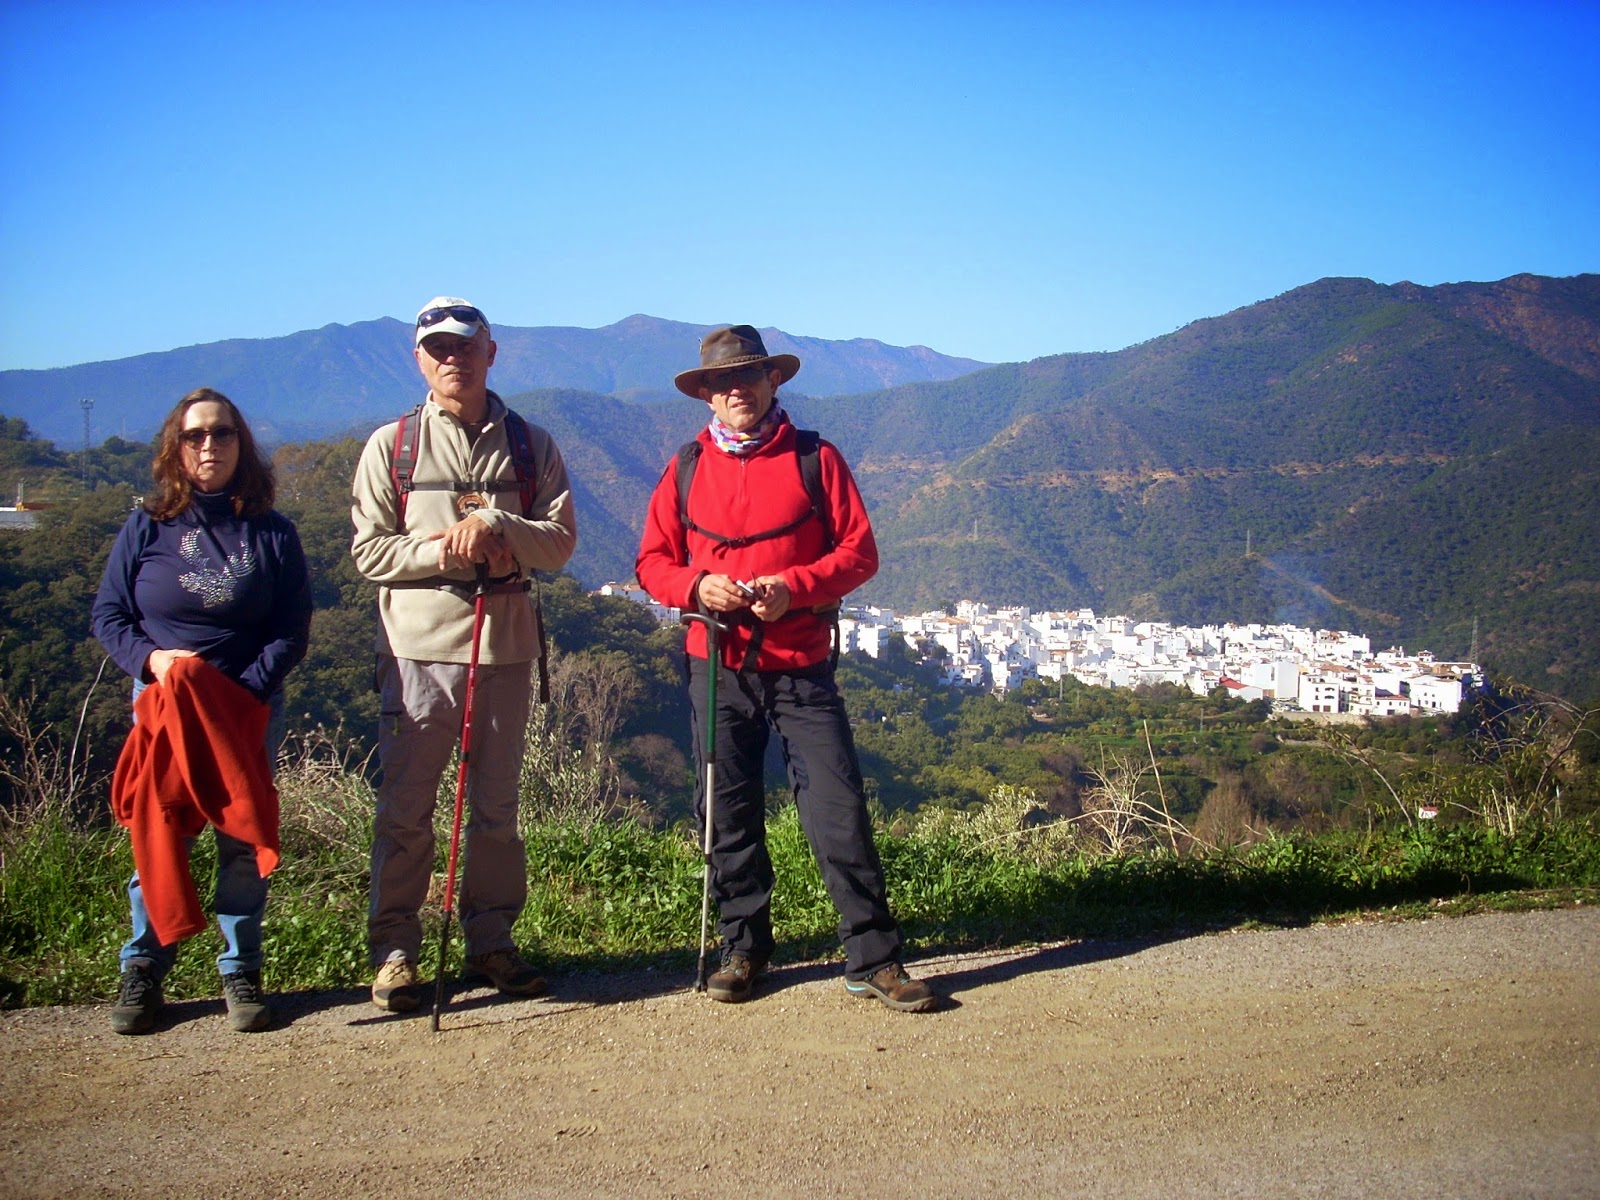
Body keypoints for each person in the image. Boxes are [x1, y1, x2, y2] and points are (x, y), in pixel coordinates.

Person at [635, 325, 936, 1012]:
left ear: (772, 380)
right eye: (722, 381)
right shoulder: (685, 467)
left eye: (748, 375)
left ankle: (874, 957)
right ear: (706, 394)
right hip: (716, 665)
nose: (735, 389)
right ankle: (744, 948)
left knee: (837, 807)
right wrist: (697, 587)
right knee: (726, 810)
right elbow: (652, 562)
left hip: (801, 664)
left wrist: (793, 589)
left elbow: (859, 553)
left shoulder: (815, 458)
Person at [351, 297, 577, 1013]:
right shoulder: (392, 446)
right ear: (419, 359)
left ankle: (492, 941)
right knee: (407, 807)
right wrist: (446, 549)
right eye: (439, 348)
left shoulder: (531, 445)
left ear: (491, 353)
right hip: (416, 651)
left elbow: (560, 544)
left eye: (466, 346)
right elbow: (369, 552)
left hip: (504, 649)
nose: (453, 358)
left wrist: (499, 522)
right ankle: (395, 953)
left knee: (497, 809)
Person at [92, 388, 312, 1034]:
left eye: (222, 433)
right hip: (164, 707)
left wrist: (245, 694)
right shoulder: (146, 526)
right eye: (195, 436)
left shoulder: (272, 533)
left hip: (242, 710)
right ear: (176, 447)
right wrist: (154, 662)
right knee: (159, 830)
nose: (209, 445)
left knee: (241, 840)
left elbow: (292, 627)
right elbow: (109, 615)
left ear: (241, 444)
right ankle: (144, 967)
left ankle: (241, 969)